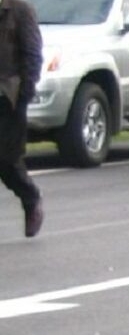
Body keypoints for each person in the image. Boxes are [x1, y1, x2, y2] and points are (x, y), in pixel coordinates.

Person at [0, 0, 43, 237]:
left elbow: (33, 54)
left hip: (9, 97)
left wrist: (25, 93)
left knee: (7, 159)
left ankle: (30, 198)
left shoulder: (20, 10)